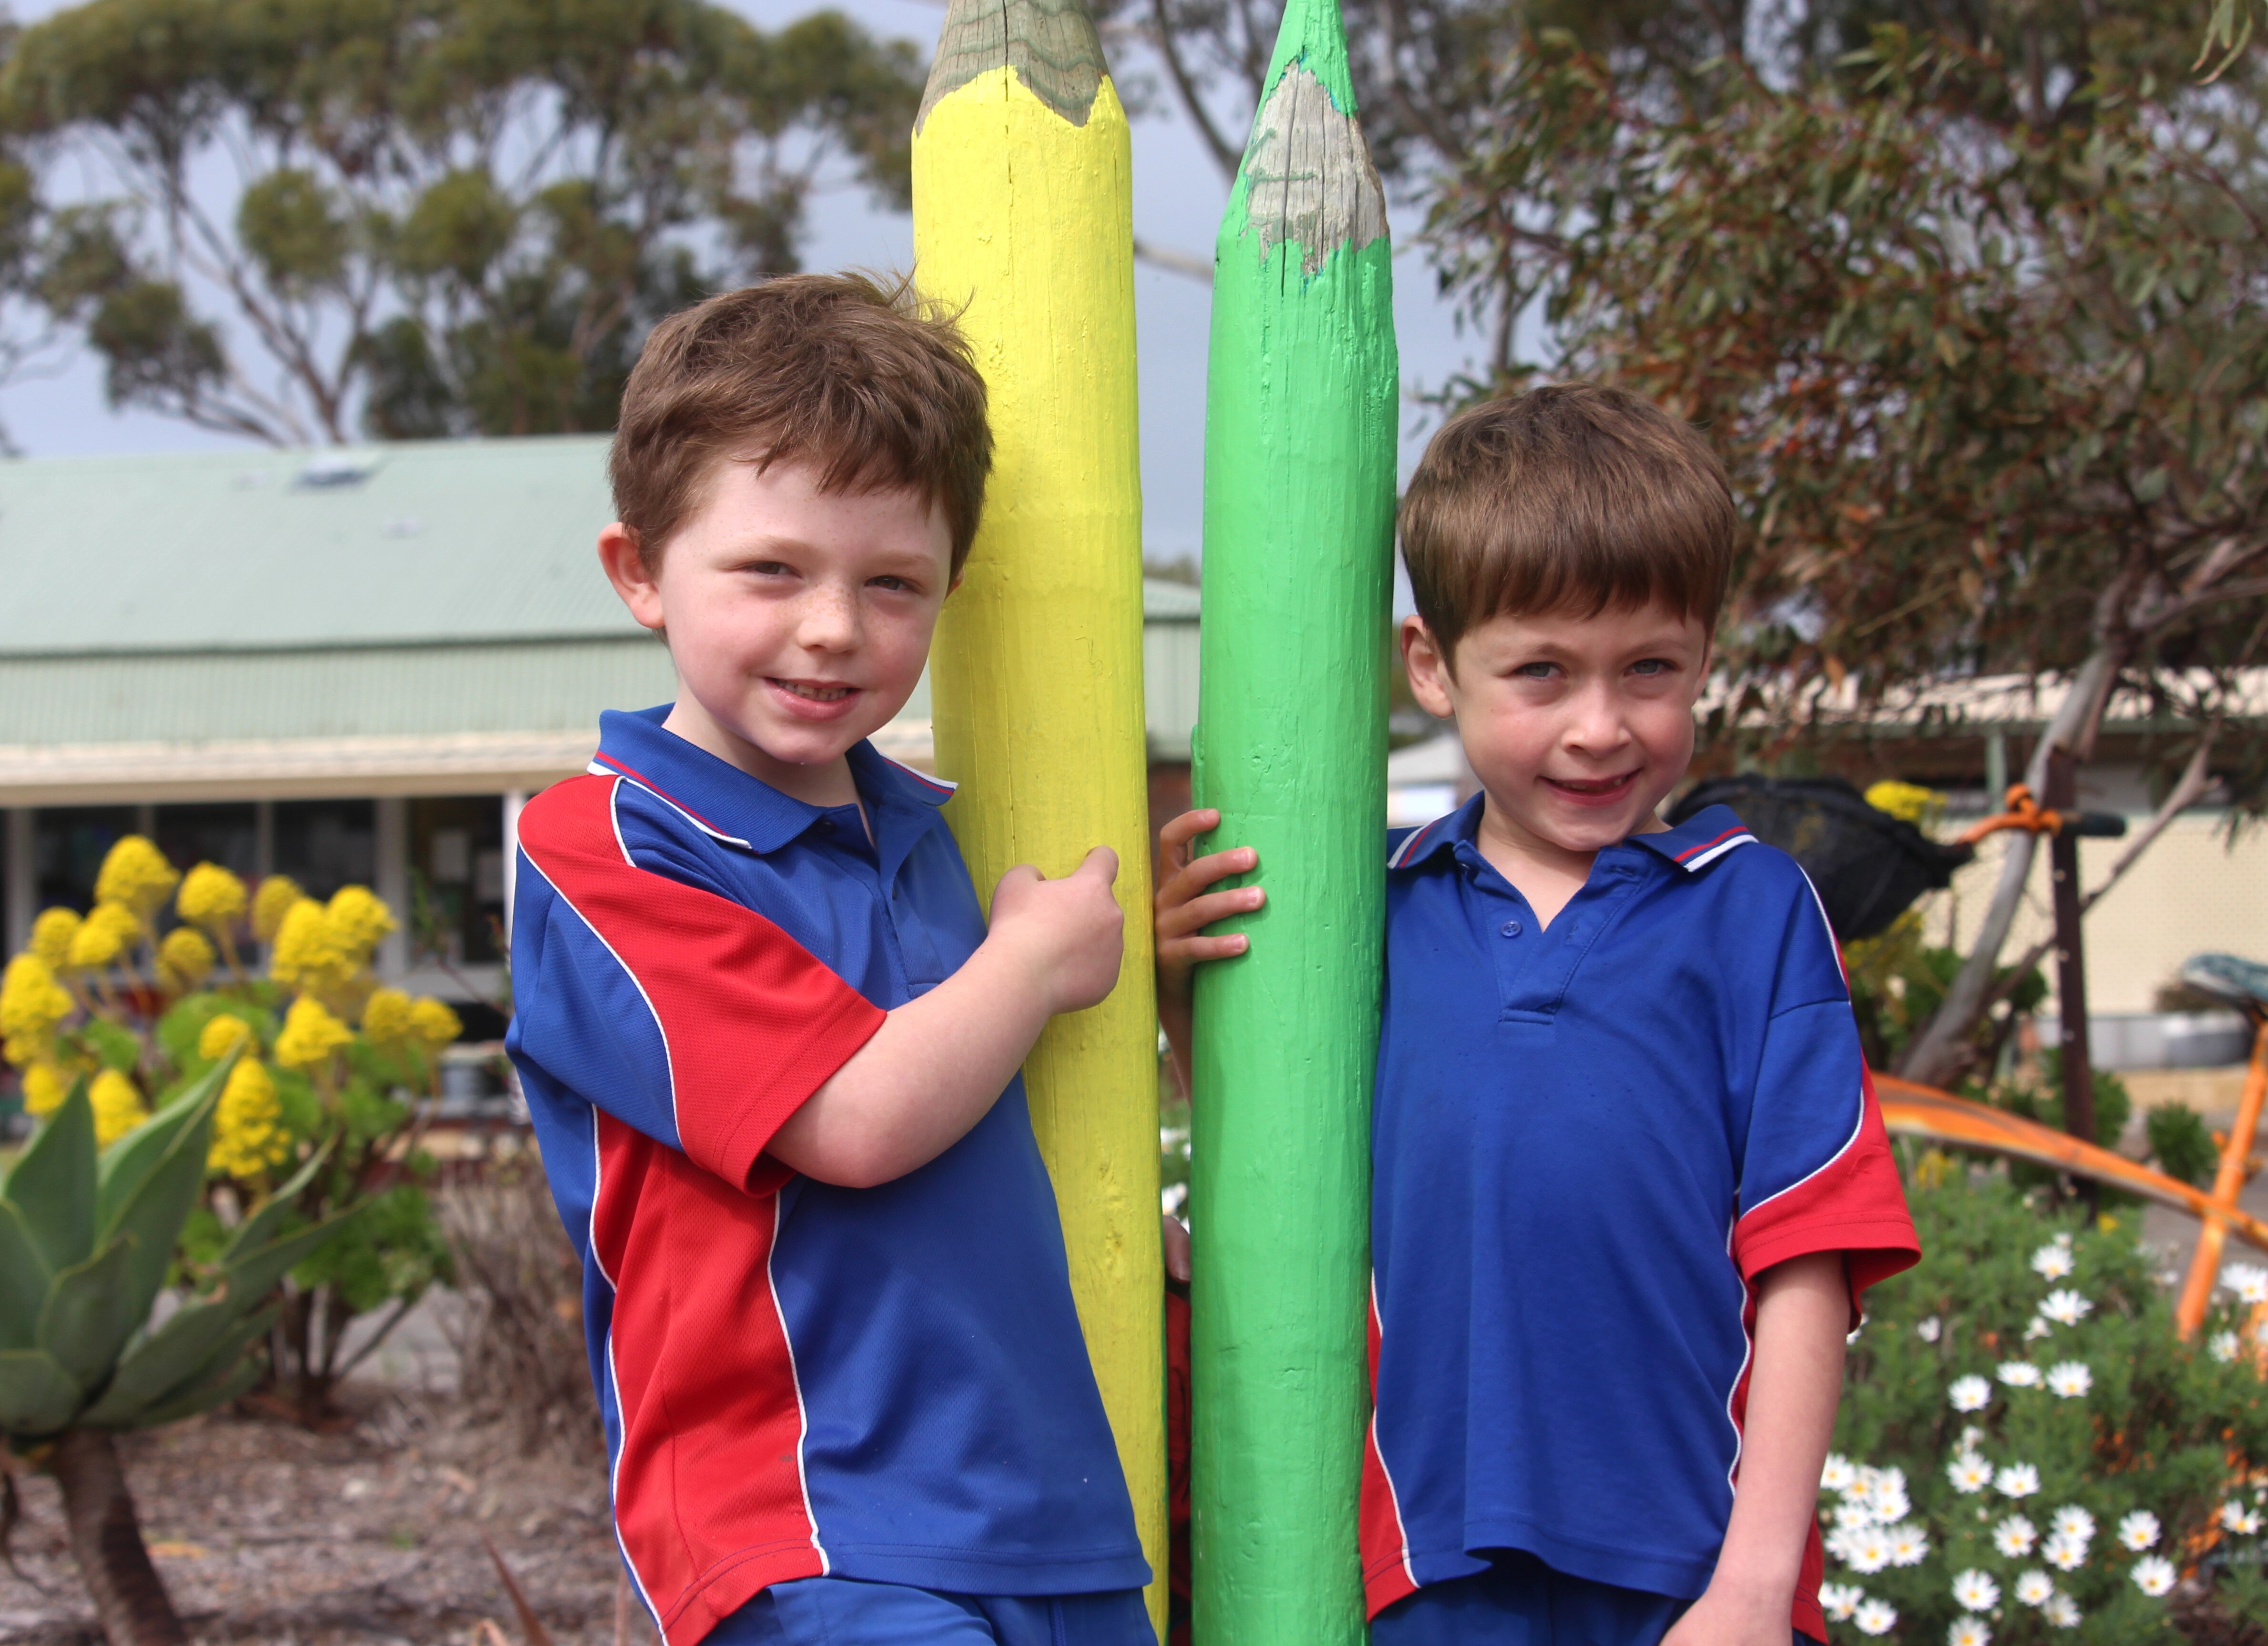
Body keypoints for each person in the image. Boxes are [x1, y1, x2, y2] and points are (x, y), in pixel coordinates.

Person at [1153, 383, 1920, 1646]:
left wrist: (1749, 1586)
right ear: (1431, 667)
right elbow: (1277, 1170)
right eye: (1541, 673)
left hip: (1687, 1561)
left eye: (1649, 670)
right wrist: (1195, 989)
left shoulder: (1750, 912)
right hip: (1422, 1559)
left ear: (1703, 661)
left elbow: (1805, 1261)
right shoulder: (1365, 913)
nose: (1599, 726)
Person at [505, 274, 1154, 1646]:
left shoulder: (926, 838)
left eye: (892, 583)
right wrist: (1034, 963)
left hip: (1042, 1509)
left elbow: (973, 1085)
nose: (833, 628)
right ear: (639, 573)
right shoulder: (609, 850)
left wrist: (1141, 948)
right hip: (807, 1522)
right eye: (771, 570)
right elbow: (852, 1121)